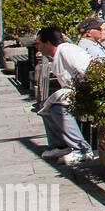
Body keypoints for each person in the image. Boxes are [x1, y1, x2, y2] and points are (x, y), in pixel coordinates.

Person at [35, 26, 96, 164]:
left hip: (87, 93)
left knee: (59, 109)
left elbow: (87, 70)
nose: (37, 47)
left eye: (39, 43)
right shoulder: (57, 55)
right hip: (75, 92)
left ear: (48, 43)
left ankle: (82, 148)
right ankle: (60, 145)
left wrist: (81, 91)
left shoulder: (67, 50)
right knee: (44, 107)